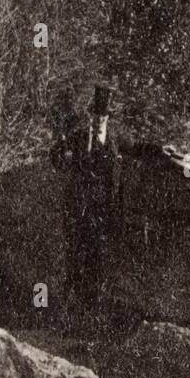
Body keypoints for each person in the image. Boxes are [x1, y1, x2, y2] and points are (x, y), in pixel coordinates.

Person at [51, 81, 128, 316]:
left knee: (97, 263)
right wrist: (61, 147)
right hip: (77, 210)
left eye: (102, 117)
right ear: (90, 116)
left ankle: (91, 313)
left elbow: (131, 162)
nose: (98, 121)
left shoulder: (118, 141)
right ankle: (69, 313)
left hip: (102, 212)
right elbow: (57, 160)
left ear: (108, 119)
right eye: (95, 116)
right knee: (74, 260)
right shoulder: (78, 137)